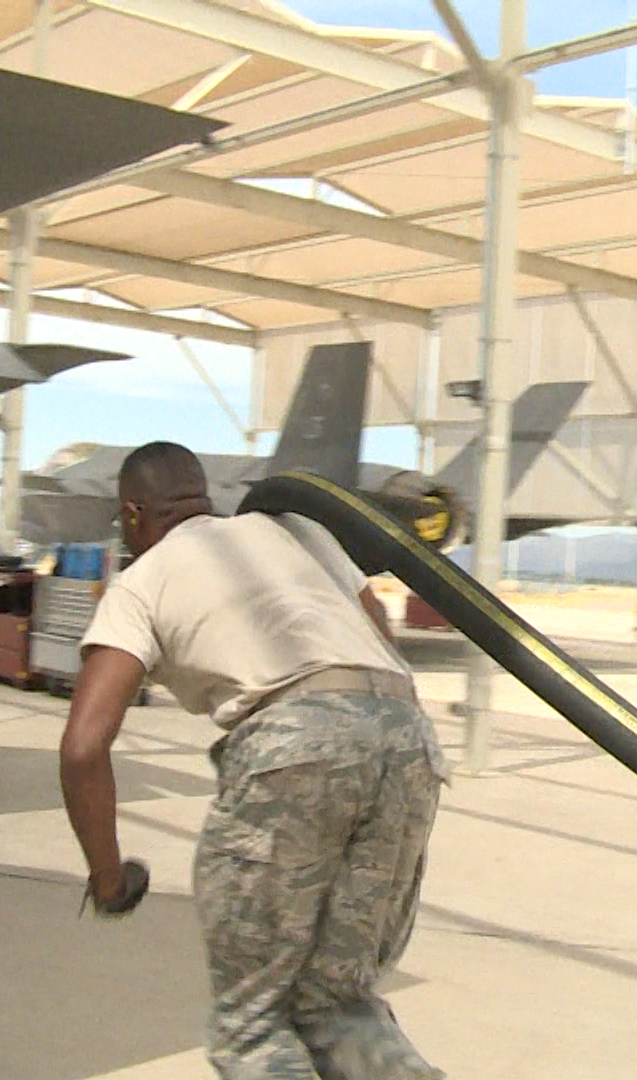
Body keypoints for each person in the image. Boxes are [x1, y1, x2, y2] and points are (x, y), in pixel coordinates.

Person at [59, 441, 448, 1080]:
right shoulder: (294, 531)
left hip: (291, 749)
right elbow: (377, 636)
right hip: (407, 742)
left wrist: (108, 880)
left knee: (252, 1025)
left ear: (132, 513)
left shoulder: (140, 581)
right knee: (340, 1008)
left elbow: (83, 748)